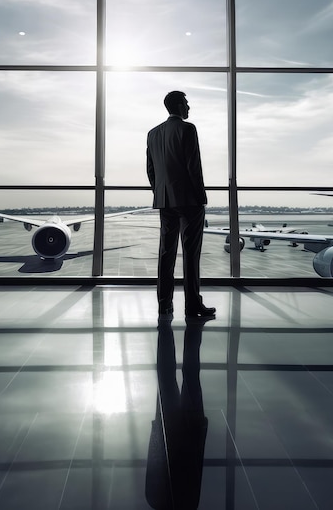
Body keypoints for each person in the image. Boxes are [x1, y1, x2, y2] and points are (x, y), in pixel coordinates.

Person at [146, 91, 215, 319]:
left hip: (165, 201)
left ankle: (164, 303)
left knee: (166, 253)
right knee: (190, 253)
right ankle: (193, 305)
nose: (189, 107)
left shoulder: (153, 134)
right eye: (186, 103)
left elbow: (151, 170)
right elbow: (193, 167)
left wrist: (160, 192)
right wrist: (201, 196)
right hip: (188, 200)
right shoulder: (188, 129)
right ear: (178, 105)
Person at [145, 319, 209, 509]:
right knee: (169, 380)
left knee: (188, 377)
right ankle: (166, 326)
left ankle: (169, 323)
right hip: (172, 431)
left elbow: (196, 466)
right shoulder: (154, 499)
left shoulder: (188, 504)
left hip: (188, 433)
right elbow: (154, 458)